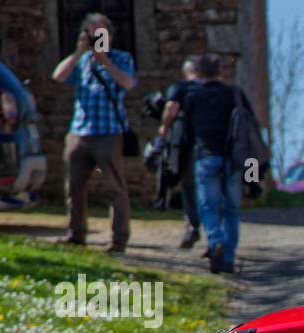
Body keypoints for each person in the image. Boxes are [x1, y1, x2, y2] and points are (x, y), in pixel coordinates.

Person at [50, 12, 137, 254]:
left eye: (100, 33)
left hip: (109, 133)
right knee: (74, 187)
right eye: (91, 33)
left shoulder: (121, 58)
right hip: (80, 132)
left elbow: (128, 84)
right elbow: (58, 76)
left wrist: (104, 61)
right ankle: (76, 234)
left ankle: (119, 240)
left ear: (109, 34)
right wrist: (79, 52)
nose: (96, 37)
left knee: (115, 188)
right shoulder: (82, 61)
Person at [181, 54, 256, 274]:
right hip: (233, 159)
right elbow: (249, 128)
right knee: (231, 210)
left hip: (206, 157)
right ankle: (229, 258)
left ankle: (215, 241)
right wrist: (252, 174)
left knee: (208, 206)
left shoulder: (193, 97)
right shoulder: (234, 94)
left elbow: (187, 131)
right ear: (220, 71)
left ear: (199, 73)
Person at [156, 58, 203, 249]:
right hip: (214, 146)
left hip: (187, 145)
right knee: (209, 188)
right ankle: (216, 234)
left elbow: (171, 108)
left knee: (189, 187)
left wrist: (164, 128)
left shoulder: (181, 88)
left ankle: (193, 225)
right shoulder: (219, 90)